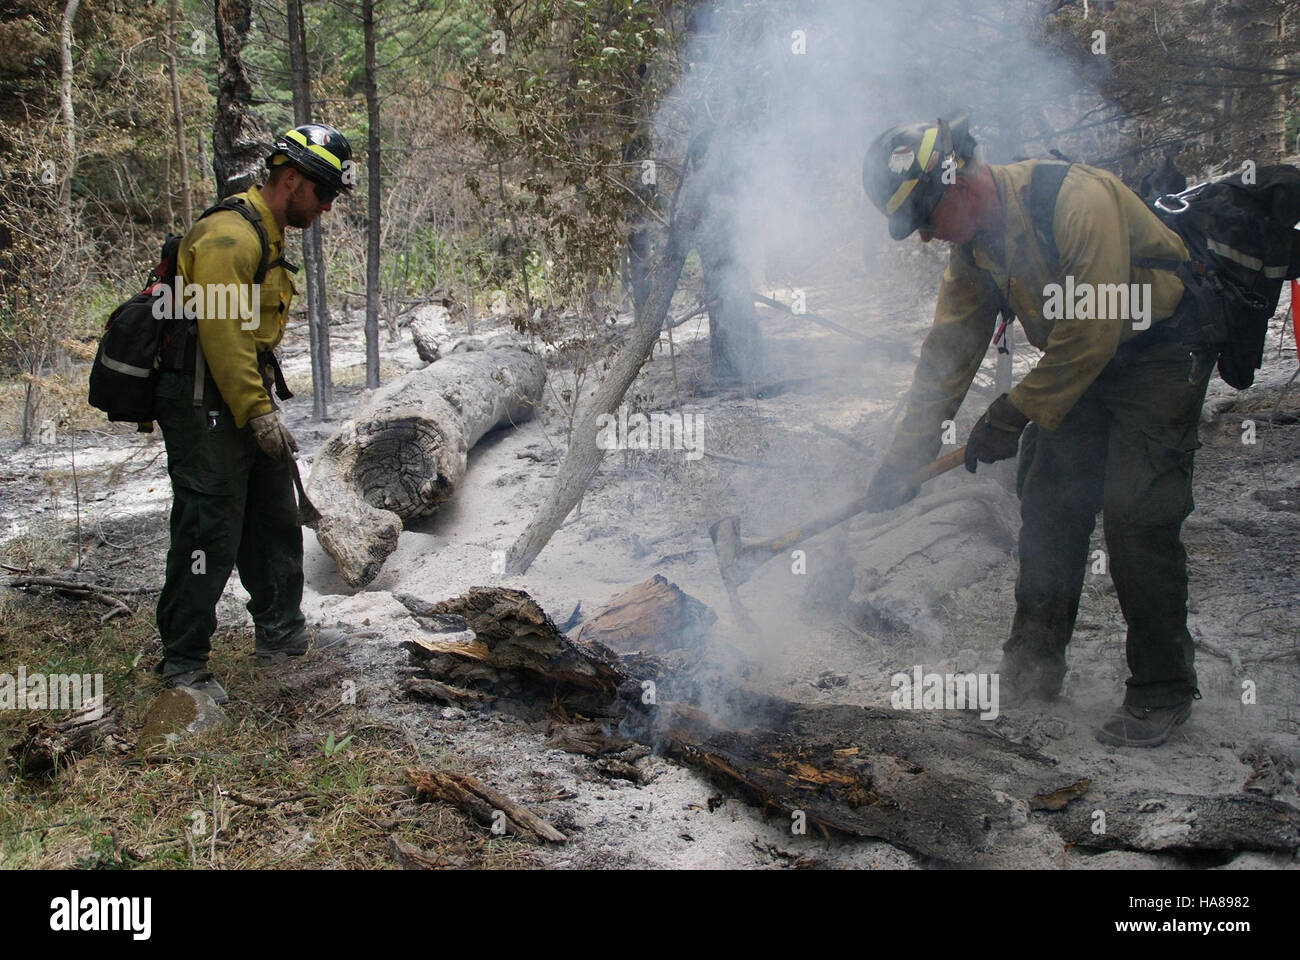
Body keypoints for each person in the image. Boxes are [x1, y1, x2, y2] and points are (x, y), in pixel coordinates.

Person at [860, 116, 1212, 747]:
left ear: (958, 180)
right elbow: (948, 354)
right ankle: (1032, 666)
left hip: (1158, 352)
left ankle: (1162, 686)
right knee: (1048, 501)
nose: (927, 238)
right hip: (1080, 366)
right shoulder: (973, 249)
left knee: (1135, 513)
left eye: (925, 219)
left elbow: (1095, 328)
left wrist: (1012, 412)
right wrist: (903, 463)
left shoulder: (1076, 199)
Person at [153, 123, 354, 704]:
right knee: (207, 531)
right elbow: (221, 335)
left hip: (240, 394)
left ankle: (282, 637)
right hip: (204, 401)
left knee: (272, 514)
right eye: (322, 195)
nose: (325, 207)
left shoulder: (268, 234)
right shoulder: (227, 238)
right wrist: (257, 412)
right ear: (290, 179)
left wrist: (259, 409)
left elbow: (247, 338)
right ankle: (184, 664)